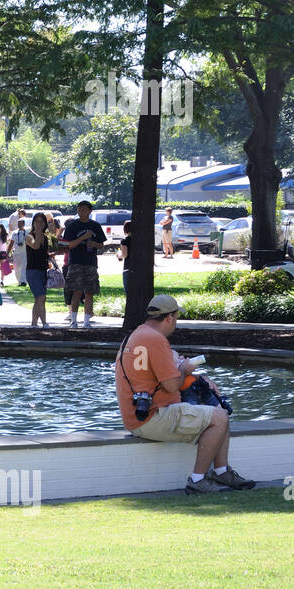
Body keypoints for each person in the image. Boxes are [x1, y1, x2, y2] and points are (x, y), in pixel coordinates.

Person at [114, 295, 255, 494]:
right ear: (170, 317)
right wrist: (186, 368)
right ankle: (197, 480)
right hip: (153, 418)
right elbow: (172, 385)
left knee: (218, 410)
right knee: (220, 417)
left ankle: (222, 472)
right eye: (176, 317)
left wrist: (197, 377)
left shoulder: (136, 335)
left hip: (139, 416)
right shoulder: (156, 340)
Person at [60, 200, 107, 329]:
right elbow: (68, 245)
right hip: (75, 262)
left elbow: (102, 244)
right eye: (79, 209)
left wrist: (94, 244)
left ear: (90, 211)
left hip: (90, 263)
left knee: (89, 292)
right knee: (76, 291)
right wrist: (83, 237)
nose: (81, 212)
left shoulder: (95, 226)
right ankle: (73, 320)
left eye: (84, 209)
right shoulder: (72, 226)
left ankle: (87, 321)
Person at [25, 214, 52, 328]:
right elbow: (35, 246)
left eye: (42, 222)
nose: (39, 224)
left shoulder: (45, 238)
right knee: (41, 297)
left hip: (42, 270)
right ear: (33, 223)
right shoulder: (29, 236)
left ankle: (34, 323)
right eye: (37, 221)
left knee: (39, 298)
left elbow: (42, 252)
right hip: (32, 271)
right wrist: (39, 232)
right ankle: (44, 323)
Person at [11, 216, 28, 286]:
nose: (19, 225)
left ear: (23, 224)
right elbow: (11, 243)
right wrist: (7, 252)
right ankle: (19, 281)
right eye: (18, 223)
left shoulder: (27, 232)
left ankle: (23, 281)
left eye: (20, 223)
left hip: (24, 253)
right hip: (16, 253)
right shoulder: (14, 233)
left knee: (24, 267)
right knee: (16, 268)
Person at [118, 220, 133, 297]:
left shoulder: (125, 241)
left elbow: (124, 255)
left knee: (129, 292)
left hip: (128, 268)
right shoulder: (140, 241)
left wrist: (119, 256)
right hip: (139, 268)